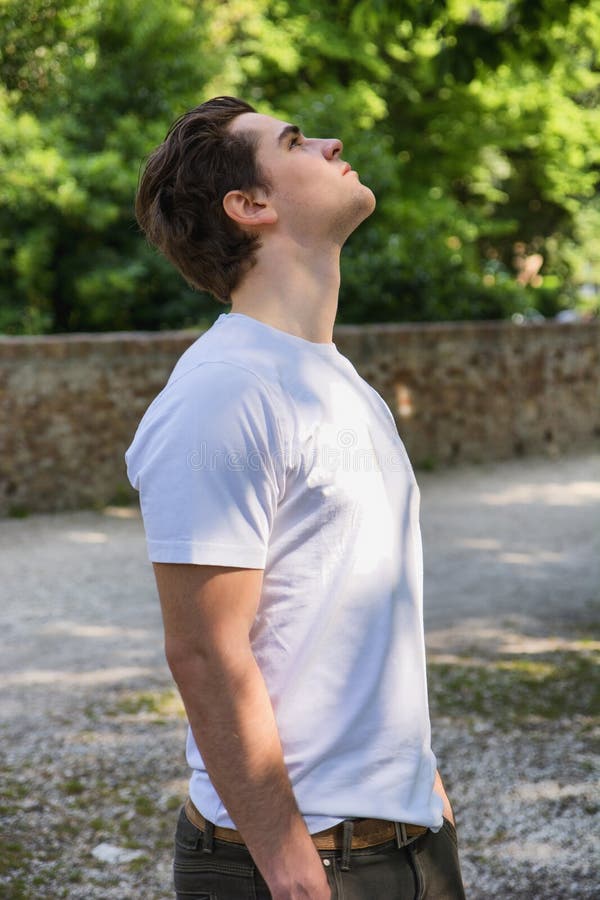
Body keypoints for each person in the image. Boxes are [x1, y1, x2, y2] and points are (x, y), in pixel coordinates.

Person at [126, 96, 466, 900]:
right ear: (251, 206)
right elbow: (206, 651)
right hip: (297, 864)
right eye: (295, 141)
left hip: (406, 839)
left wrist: (422, 790)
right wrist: (288, 864)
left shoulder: (338, 384)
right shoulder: (224, 392)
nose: (331, 141)